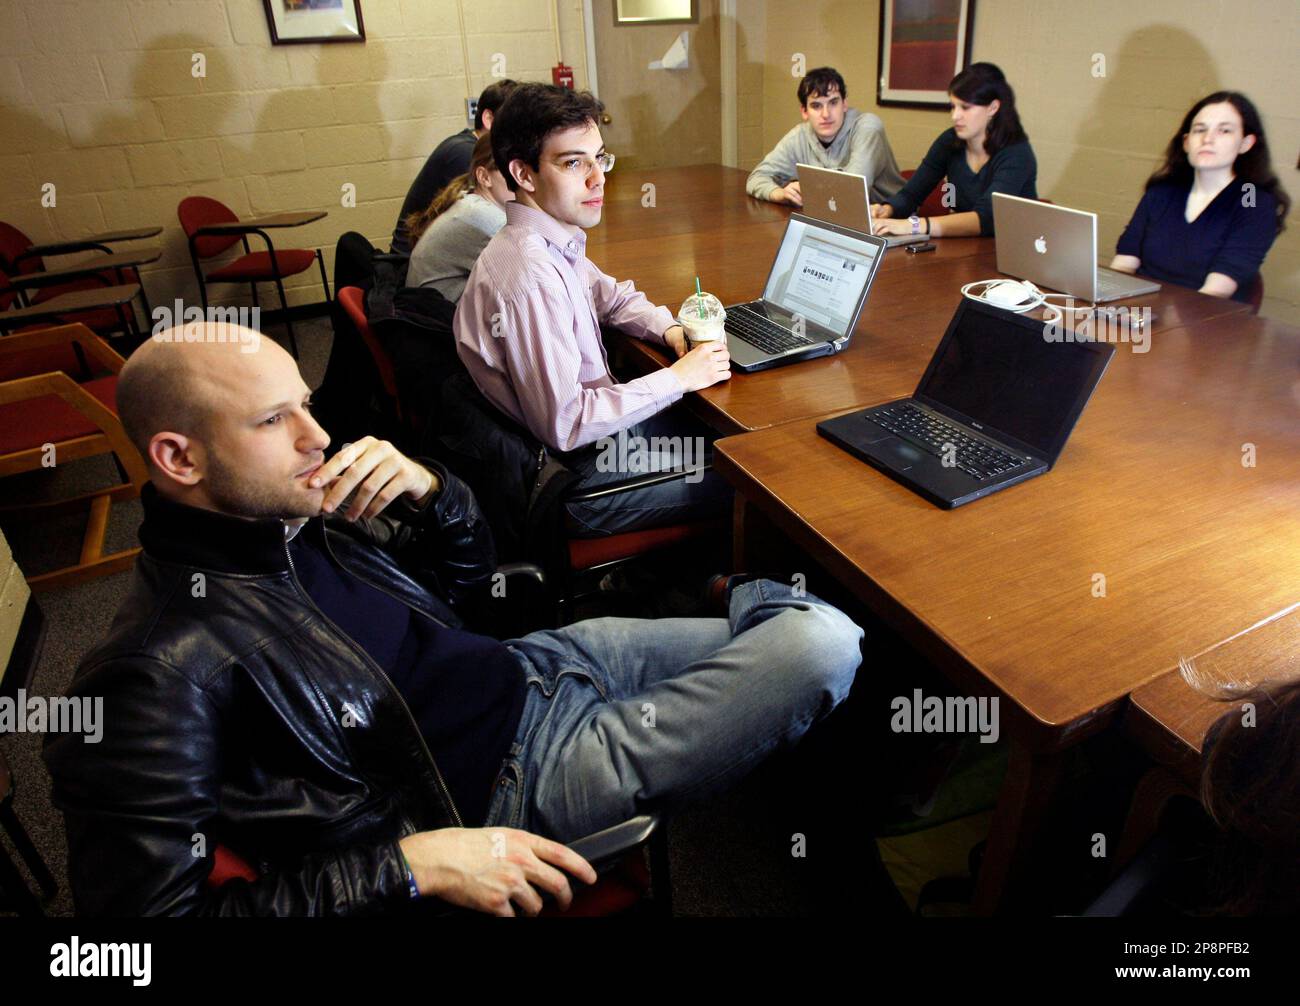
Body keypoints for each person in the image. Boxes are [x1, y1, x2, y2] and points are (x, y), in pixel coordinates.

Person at [43, 327, 865, 916]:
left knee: (829, 627)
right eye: (272, 421)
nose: (317, 435)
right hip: (504, 784)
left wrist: (435, 495)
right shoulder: (151, 671)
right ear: (179, 458)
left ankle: (734, 592)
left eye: (304, 403)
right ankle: (735, 594)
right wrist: (407, 866)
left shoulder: (291, 516)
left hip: (536, 665)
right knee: (821, 642)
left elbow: (473, 595)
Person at [454, 83, 733, 537]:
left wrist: (669, 330)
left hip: (590, 445)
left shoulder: (547, 240)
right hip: (576, 476)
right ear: (524, 174)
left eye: (599, 157)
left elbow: (611, 295)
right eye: (572, 163)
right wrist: (680, 378)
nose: (597, 178)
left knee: (729, 441)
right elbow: (567, 423)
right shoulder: (530, 275)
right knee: (753, 476)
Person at [1109, 92, 1289, 302]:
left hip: (1204, 322)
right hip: (1138, 313)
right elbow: (1124, 263)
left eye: (1224, 131)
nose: (1207, 139)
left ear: (1245, 144)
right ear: (1186, 142)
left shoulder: (1254, 202)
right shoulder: (1161, 192)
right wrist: (1107, 303)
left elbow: (1216, 292)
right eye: (1200, 130)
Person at [873, 62, 1036, 238]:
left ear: (993, 108)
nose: (955, 116)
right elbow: (911, 194)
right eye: (953, 106)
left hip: (1011, 249)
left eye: (965, 107)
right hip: (965, 245)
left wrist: (913, 225)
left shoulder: (1017, 153)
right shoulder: (950, 140)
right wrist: (886, 209)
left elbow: (986, 218)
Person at [391, 78, 518, 255]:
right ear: (489, 119)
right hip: (408, 265)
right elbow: (496, 220)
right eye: (516, 123)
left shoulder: (467, 146)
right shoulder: (465, 153)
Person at [746, 66, 905, 206]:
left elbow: (851, 191)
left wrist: (806, 187)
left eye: (833, 103)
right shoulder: (799, 136)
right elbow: (756, 178)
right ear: (804, 112)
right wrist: (779, 193)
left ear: (844, 104)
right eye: (816, 106)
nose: (826, 114)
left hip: (889, 221)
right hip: (833, 218)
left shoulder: (868, 127)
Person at [405, 133, 512, 302]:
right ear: (484, 177)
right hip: (440, 323)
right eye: (510, 171)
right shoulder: (485, 218)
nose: (523, 178)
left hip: (435, 315)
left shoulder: (470, 203)